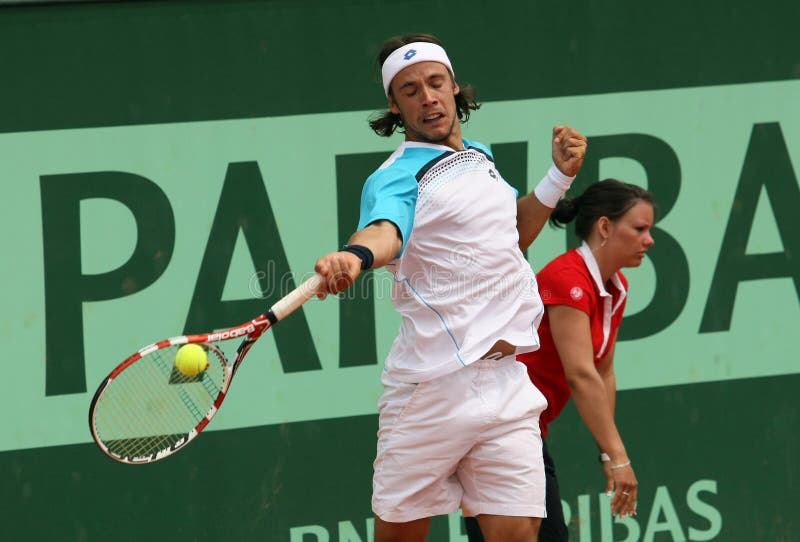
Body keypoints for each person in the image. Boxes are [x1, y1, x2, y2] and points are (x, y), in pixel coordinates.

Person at [313, 32, 587, 542]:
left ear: (455, 87)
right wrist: (354, 257)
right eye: (411, 90)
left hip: (506, 381)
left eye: (436, 83)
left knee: (518, 533)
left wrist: (557, 177)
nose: (428, 97)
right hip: (432, 388)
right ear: (395, 105)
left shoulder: (478, 157)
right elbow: (385, 230)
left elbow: (512, 234)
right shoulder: (395, 177)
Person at [464, 179, 654, 541]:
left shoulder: (617, 286)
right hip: (494, 426)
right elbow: (580, 374)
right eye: (640, 228)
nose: (649, 239)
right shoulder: (567, 279)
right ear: (605, 227)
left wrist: (606, 452)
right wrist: (620, 457)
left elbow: (603, 371)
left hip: (522, 428)